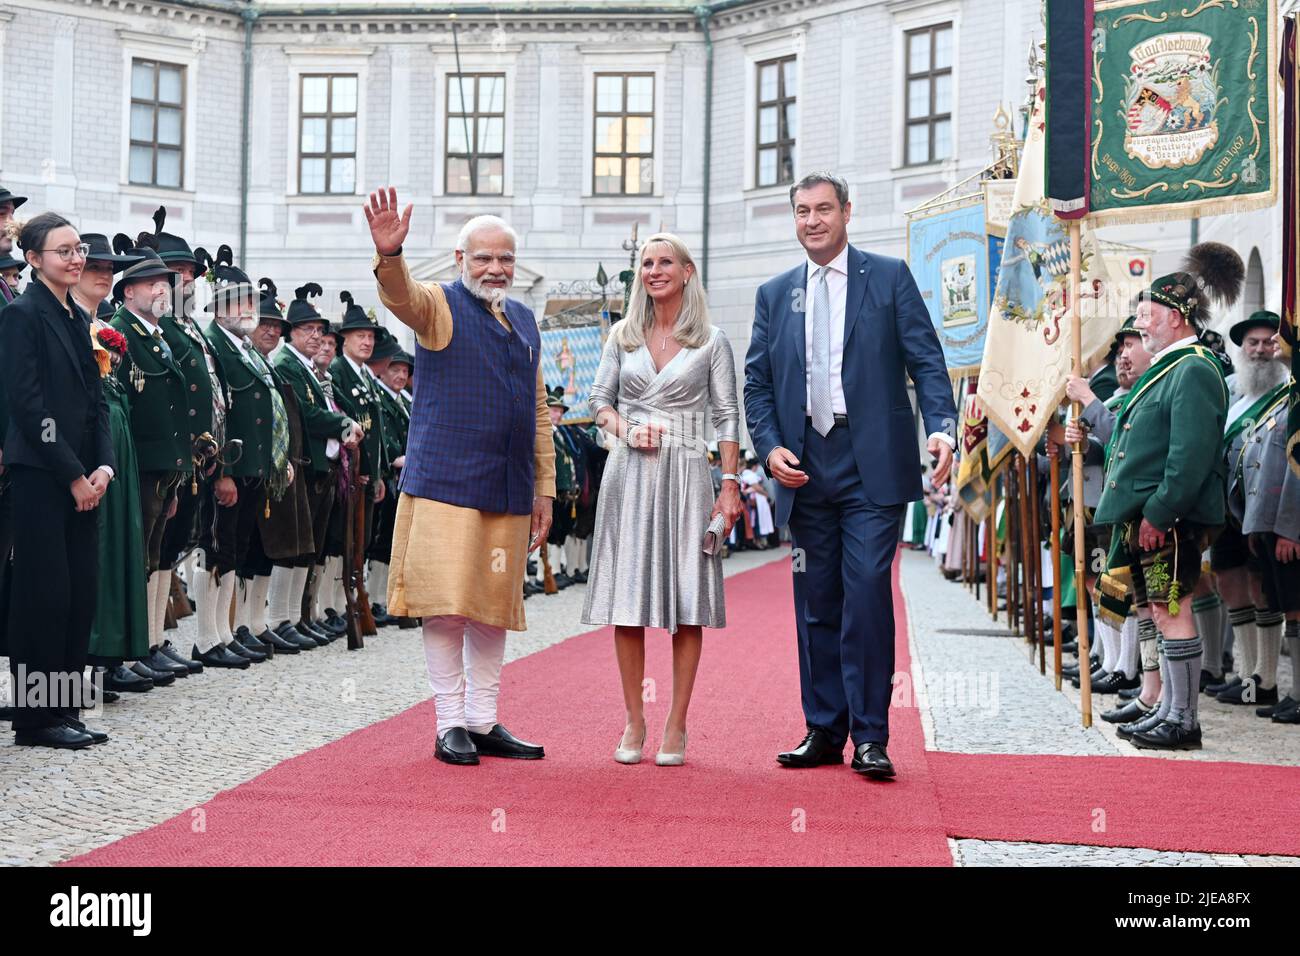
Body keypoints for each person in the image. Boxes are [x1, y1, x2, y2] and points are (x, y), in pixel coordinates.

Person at [743, 172, 956, 779]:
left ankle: (870, 735)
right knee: (817, 600)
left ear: (847, 212)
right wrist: (769, 446)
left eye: (823, 209)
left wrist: (940, 426)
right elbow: (757, 384)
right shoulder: (774, 293)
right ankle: (823, 728)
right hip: (804, 469)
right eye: (802, 211)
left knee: (865, 594)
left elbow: (926, 361)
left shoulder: (887, 277)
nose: (812, 220)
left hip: (871, 468)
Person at [365, 186, 554, 766]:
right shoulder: (440, 305)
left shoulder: (524, 319)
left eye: (505, 259)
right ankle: (450, 723)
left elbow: (539, 410)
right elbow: (402, 299)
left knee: (491, 603)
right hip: (447, 485)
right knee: (448, 604)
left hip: (507, 487)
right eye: (483, 258)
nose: (495, 268)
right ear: (460, 260)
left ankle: (483, 719)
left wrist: (544, 487)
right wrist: (390, 258)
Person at [582, 232, 741, 766]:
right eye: (647, 262)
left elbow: (726, 416)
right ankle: (634, 718)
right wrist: (625, 429)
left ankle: (677, 723)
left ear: (687, 271)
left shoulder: (711, 341)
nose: (654, 270)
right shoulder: (622, 337)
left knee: (686, 600)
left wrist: (730, 485)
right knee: (627, 599)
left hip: (688, 472)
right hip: (629, 474)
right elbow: (598, 403)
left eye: (665, 261)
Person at [1093, 242, 1243, 750]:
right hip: (1151, 518)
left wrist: (1159, 511)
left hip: (1169, 519)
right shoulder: (1173, 366)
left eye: (1148, 314)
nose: (1142, 324)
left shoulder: (1194, 368)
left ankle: (1183, 718)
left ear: (1176, 317)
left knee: (1172, 607)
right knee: (1159, 609)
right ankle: (1170, 709)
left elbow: (1190, 455)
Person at [2, 213, 115, 748]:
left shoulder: (78, 316)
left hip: (84, 478)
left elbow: (97, 403)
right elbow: (28, 405)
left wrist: (104, 466)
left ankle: (64, 708)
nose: (76, 258)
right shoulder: (23, 316)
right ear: (33, 258)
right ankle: (34, 719)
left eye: (78, 250)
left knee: (79, 595)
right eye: (63, 250)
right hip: (41, 476)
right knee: (43, 597)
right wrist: (72, 474)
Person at [108, 244, 196, 681]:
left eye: (165, 283)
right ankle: (129, 648)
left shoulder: (155, 335)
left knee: (158, 553)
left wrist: (180, 468)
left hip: (165, 466)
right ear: (127, 293)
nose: (162, 288)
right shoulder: (120, 331)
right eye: (150, 283)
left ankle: (149, 640)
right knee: (138, 557)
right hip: (139, 464)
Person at [273, 283, 364, 641]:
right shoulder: (288, 364)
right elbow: (308, 415)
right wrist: (343, 424)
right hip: (306, 463)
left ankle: (298, 616)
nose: (315, 337)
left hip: (322, 467)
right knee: (293, 546)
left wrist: (347, 423)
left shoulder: (308, 367)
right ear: (290, 333)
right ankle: (282, 618)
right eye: (307, 330)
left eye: (318, 331)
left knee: (309, 547)